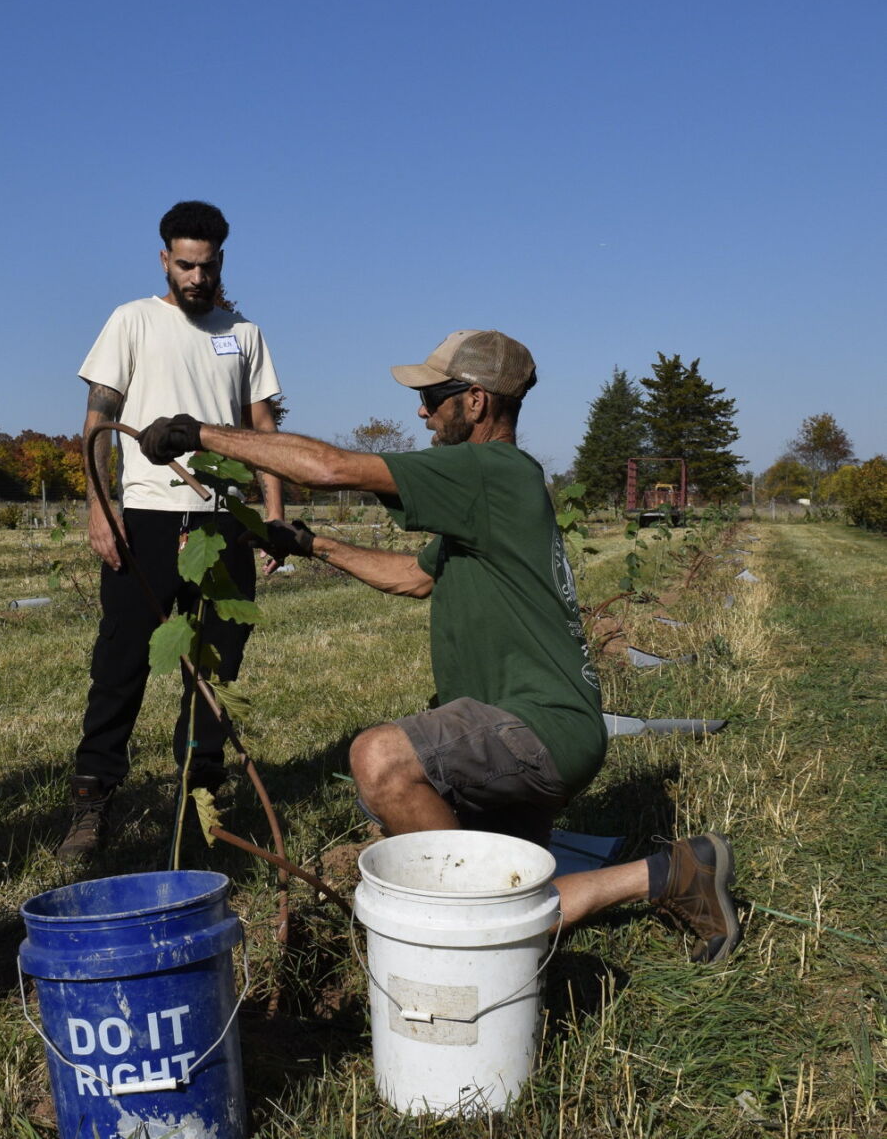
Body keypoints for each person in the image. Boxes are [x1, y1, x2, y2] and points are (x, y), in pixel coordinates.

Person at [136, 329, 742, 963]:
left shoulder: (490, 470)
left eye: (432, 396)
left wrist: (198, 432)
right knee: (452, 877)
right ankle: (668, 876)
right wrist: (312, 545)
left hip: (537, 727)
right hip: (540, 728)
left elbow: (331, 468)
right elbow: (416, 576)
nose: (421, 411)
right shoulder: (487, 495)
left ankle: (480, 937)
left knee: (381, 762)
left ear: (475, 402)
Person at [59, 200, 284, 862]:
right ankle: (91, 802)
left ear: (220, 261)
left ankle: (199, 801)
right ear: (164, 258)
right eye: (184, 264)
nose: (195, 277)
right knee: (121, 662)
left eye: (206, 265)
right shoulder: (131, 321)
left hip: (224, 522)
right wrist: (102, 509)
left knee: (214, 668)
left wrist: (271, 514)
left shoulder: (243, 333)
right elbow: (97, 422)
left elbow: (263, 432)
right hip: (147, 519)